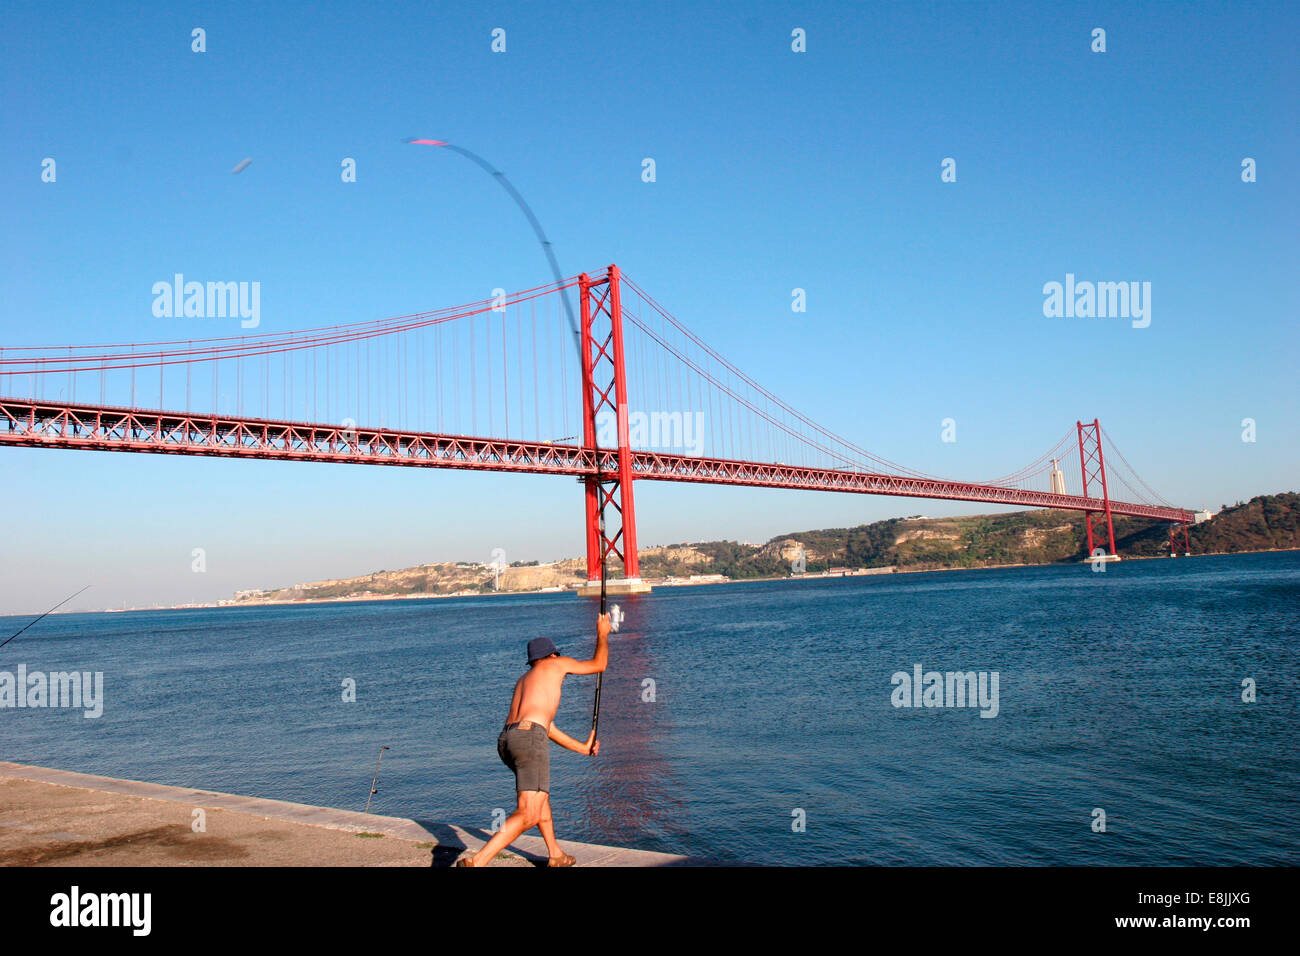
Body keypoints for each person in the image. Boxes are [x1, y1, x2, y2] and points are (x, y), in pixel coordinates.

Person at [457, 613, 611, 867]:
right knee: (529, 812)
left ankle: (556, 854)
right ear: (552, 655)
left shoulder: (524, 680)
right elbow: (599, 664)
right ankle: (478, 862)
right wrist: (602, 634)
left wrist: (583, 748)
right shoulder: (556, 664)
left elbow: (547, 727)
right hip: (528, 739)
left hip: (508, 740)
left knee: (540, 798)